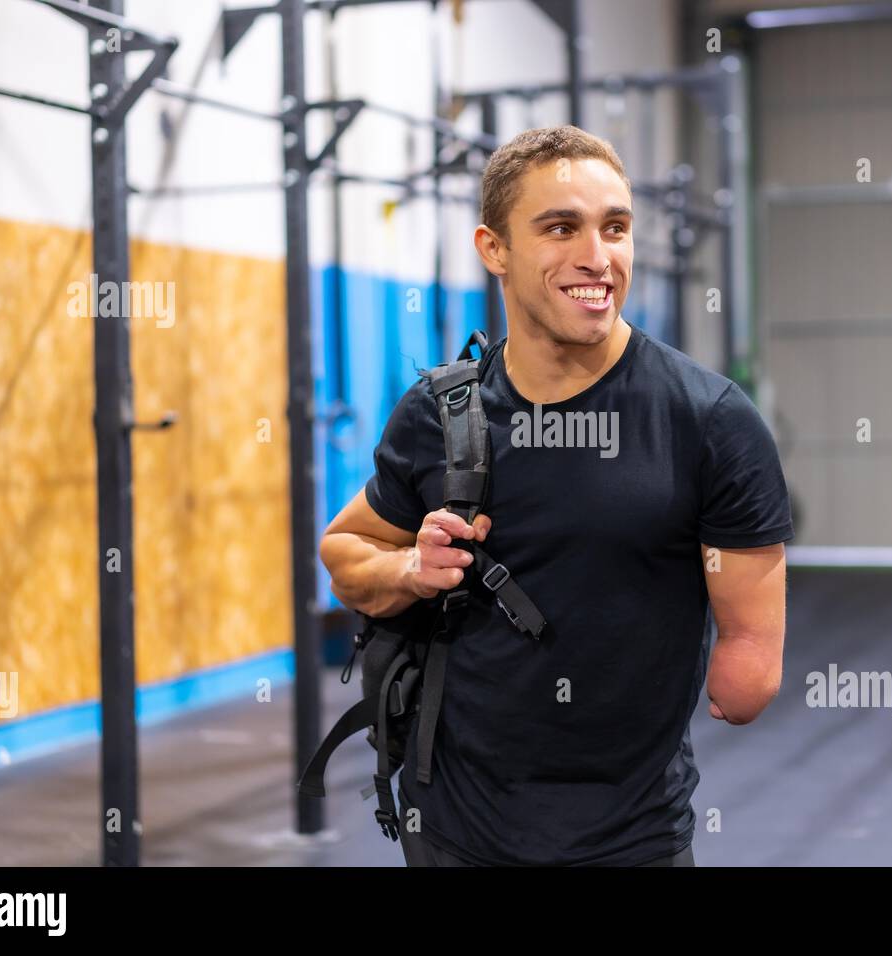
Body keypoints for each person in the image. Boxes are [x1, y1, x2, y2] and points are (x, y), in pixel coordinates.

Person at [320, 125, 793, 867]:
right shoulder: (440, 415)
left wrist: (746, 661)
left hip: (633, 841)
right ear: (494, 249)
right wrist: (411, 568)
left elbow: (749, 667)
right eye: (561, 228)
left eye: (615, 228)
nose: (597, 257)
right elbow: (345, 550)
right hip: (452, 831)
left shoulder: (709, 421)